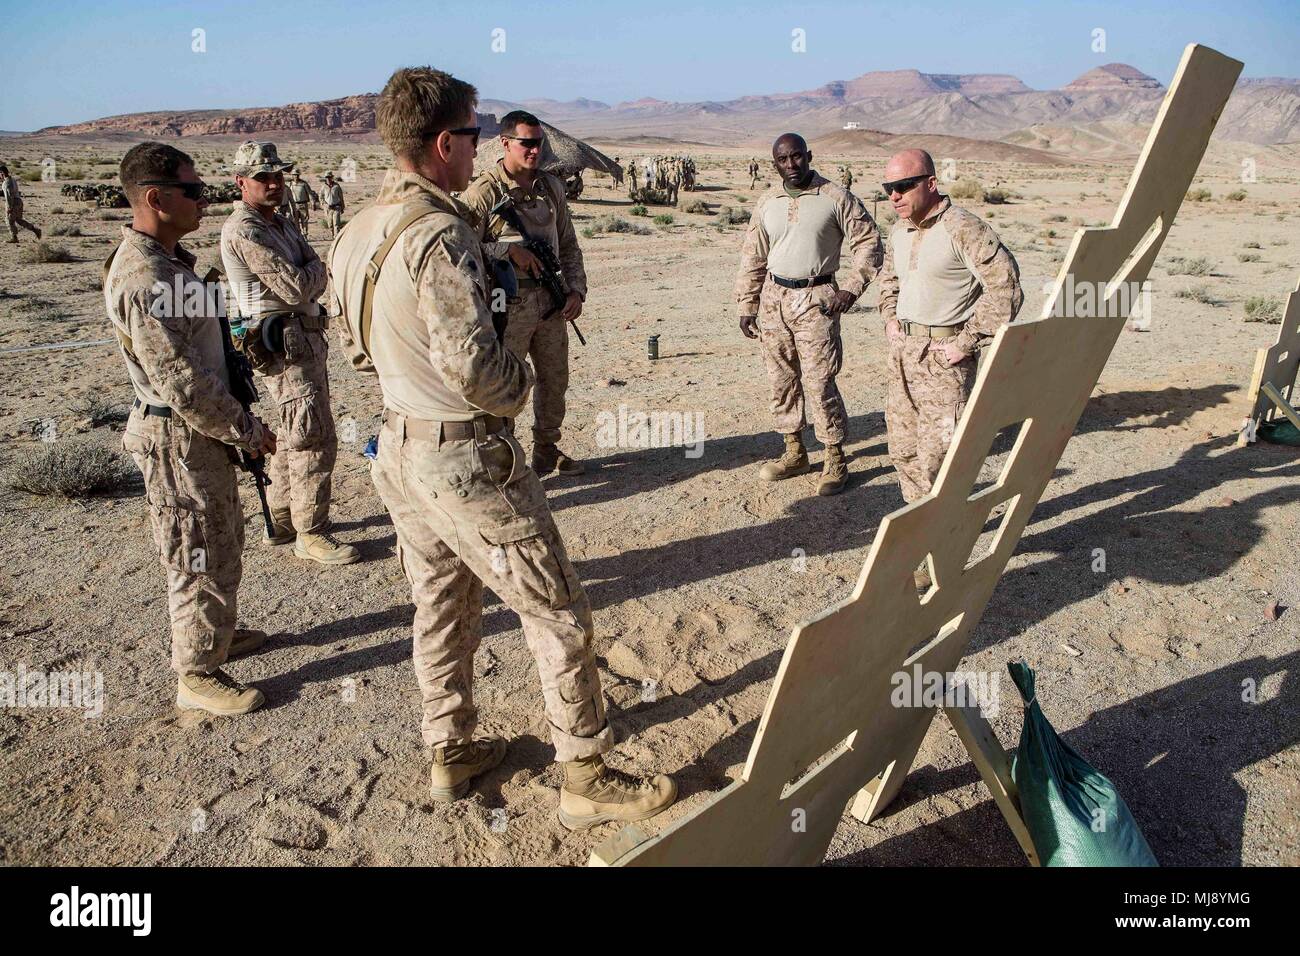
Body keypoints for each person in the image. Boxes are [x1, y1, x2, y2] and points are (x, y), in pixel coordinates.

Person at [327, 66, 676, 828]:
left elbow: (356, 351)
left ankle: (450, 750)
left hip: (399, 449)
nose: (480, 147)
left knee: (441, 604)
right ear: (446, 142)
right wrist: (518, 378)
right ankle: (584, 775)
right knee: (558, 613)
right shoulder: (441, 233)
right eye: (477, 133)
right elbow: (480, 372)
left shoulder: (358, 230)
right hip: (465, 459)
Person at [104, 142, 276, 716]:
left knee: (221, 539)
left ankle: (215, 631)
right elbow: (184, 387)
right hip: (177, 437)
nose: (206, 199)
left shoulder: (169, 263)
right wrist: (247, 429)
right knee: (194, 550)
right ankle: (197, 670)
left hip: (199, 434)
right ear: (156, 198)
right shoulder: (145, 278)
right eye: (193, 190)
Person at [876, 149, 1023, 586]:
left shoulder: (964, 228)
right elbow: (889, 278)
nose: (895, 197)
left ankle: (939, 548)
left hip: (944, 362)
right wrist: (889, 317)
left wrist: (966, 341)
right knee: (903, 450)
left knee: (938, 460)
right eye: (888, 190)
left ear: (931, 183)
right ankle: (921, 537)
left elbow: (1007, 291)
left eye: (903, 187)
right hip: (904, 354)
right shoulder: (899, 231)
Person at [220, 142, 357, 565]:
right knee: (313, 436)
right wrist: (321, 271)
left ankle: (282, 516)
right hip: (281, 342)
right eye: (263, 178)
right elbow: (298, 285)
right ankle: (311, 531)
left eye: (278, 176)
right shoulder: (246, 230)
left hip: (301, 337)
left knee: (292, 431)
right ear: (241, 182)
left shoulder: (278, 223)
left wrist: (313, 270)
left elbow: (308, 267)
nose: (274, 184)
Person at [735, 133, 884, 496]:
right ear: (774, 164)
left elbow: (869, 243)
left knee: (820, 381)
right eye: (783, 160)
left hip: (817, 297)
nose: (791, 165)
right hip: (774, 298)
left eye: (797, 157)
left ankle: (834, 457)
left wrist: (850, 288)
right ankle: (795, 451)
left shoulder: (836, 198)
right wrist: (747, 302)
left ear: (809, 156)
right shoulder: (768, 201)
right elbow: (753, 254)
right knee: (781, 380)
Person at [460, 110, 588, 477]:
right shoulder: (484, 191)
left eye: (539, 143)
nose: (534, 150)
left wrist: (576, 290)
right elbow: (459, 246)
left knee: (554, 378)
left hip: (551, 301)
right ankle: (505, 460)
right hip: (506, 303)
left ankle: (547, 449)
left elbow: (568, 244)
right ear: (505, 144)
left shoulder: (551, 187)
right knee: (508, 383)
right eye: (526, 143)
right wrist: (507, 251)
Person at [1, 165, 41, 243]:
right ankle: (35, 230)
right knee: (19, 220)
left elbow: (9, 195)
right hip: (19, 201)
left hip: (13, 202)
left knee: (9, 220)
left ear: (2, 173)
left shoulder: (6, 182)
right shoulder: (12, 179)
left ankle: (14, 238)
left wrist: (9, 207)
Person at [321, 172, 344, 237]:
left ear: (332, 177)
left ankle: (336, 237)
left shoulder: (336, 186)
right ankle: (332, 234)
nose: (328, 179)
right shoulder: (323, 187)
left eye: (329, 177)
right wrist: (324, 204)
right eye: (327, 177)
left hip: (336, 207)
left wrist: (342, 207)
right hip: (328, 208)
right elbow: (321, 197)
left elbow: (341, 197)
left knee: (336, 223)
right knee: (330, 224)